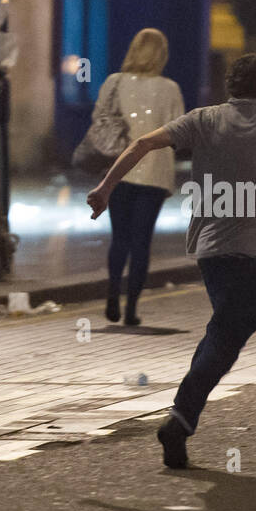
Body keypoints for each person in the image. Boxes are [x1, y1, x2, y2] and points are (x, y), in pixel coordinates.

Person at [87, 54, 256, 468]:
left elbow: (141, 144)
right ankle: (180, 419)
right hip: (255, 253)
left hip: (209, 250)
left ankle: (181, 420)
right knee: (232, 330)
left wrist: (105, 188)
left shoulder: (203, 119)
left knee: (225, 326)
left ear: (229, 84)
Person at [93, 28, 185, 325]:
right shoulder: (169, 88)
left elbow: (99, 119)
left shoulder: (113, 82)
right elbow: (177, 133)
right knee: (141, 241)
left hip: (119, 169)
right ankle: (131, 308)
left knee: (119, 236)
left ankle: (111, 294)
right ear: (161, 55)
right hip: (155, 173)